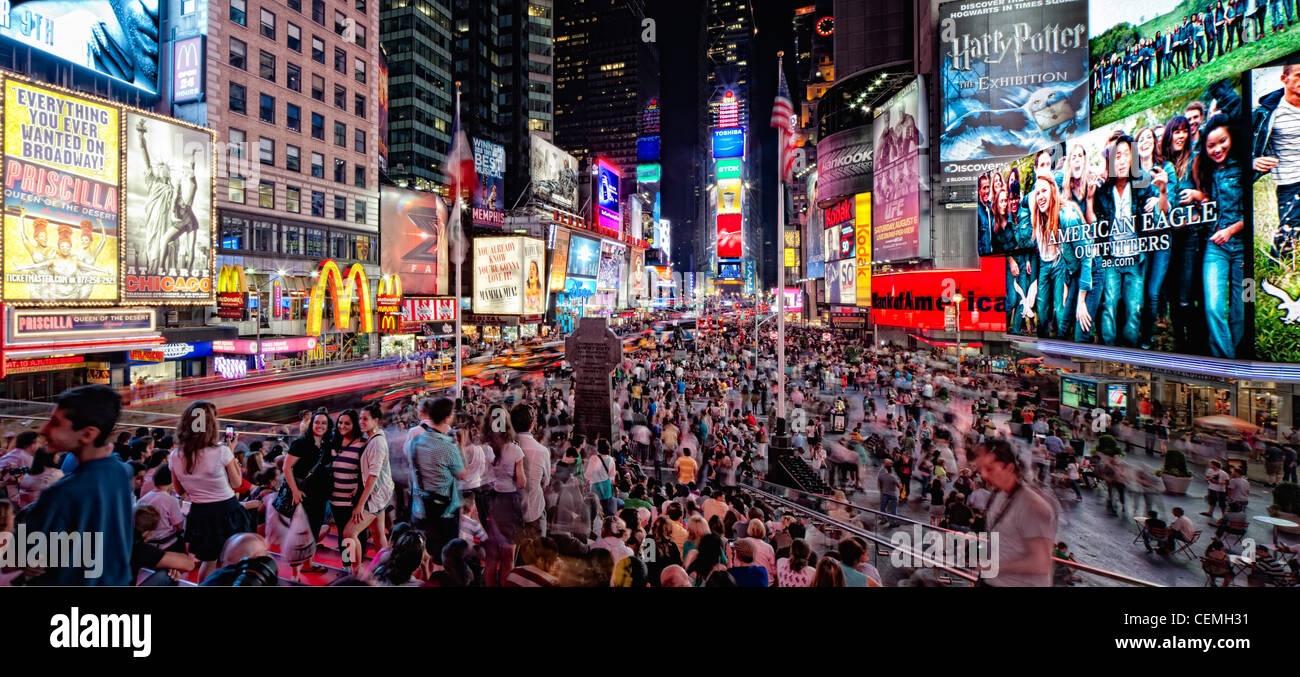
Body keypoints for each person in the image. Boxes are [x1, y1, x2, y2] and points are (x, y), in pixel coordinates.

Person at [23, 386, 133, 585]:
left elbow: (18, 556)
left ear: (87, 434)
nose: (43, 430)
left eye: (55, 423)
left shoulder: (60, 494)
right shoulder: (119, 472)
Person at [169, 401, 251, 581]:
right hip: (227, 511)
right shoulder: (221, 451)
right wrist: (230, 451)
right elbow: (237, 483)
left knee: (209, 561)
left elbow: (179, 490)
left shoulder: (175, 455)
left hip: (200, 513)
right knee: (235, 558)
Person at [973, 439, 1056, 587]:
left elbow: (1041, 562)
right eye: (981, 469)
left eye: (990, 469)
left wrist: (996, 567)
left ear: (1010, 468)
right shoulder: (998, 494)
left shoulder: (1032, 505)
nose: (984, 475)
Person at [407, 397, 469, 564]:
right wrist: (461, 447)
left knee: (429, 549)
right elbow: (462, 474)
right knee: (446, 553)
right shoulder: (447, 446)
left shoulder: (416, 441)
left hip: (423, 503)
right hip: (445, 508)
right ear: (447, 418)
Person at [342, 404, 394, 574]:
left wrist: (360, 504)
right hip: (380, 492)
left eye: (365, 419)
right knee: (378, 534)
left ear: (376, 420)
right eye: (360, 419)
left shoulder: (377, 442)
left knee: (349, 533)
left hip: (376, 495)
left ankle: (357, 573)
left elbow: (373, 475)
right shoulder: (375, 437)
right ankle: (387, 570)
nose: (361, 422)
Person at [480, 403, 526, 587]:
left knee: (491, 556)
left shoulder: (484, 448)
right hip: (508, 505)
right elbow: (522, 483)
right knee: (508, 558)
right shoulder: (515, 450)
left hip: (488, 502)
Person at [282, 412, 332, 577]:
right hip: (303, 494)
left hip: (319, 494)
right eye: (317, 422)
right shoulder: (301, 443)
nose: (320, 426)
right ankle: (295, 573)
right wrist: (295, 491)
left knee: (313, 530)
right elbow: (286, 467)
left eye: (323, 423)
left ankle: (308, 564)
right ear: (312, 424)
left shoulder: (325, 444)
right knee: (299, 531)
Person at [326, 409, 367, 563]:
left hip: (353, 499)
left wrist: (359, 487)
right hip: (335, 498)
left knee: (356, 533)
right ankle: (346, 564)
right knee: (343, 533)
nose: (342, 426)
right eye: (340, 423)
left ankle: (358, 565)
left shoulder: (362, 444)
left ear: (354, 425)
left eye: (347, 423)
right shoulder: (332, 443)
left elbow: (366, 470)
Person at [513, 404, 551, 540]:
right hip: (534, 512)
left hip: (510, 515)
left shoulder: (503, 448)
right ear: (532, 424)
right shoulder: (541, 451)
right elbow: (546, 481)